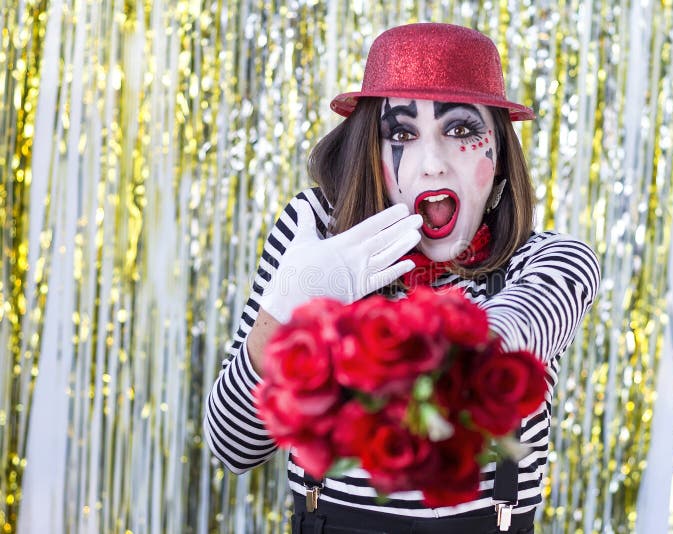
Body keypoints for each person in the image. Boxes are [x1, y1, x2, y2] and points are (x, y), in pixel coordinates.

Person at [204, 23, 600, 534]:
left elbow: (511, 333)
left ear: (499, 158)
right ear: (371, 150)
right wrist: (285, 311)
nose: (431, 165)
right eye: (402, 134)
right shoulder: (313, 236)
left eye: (459, 130)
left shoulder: (548, 259)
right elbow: (232, 446)